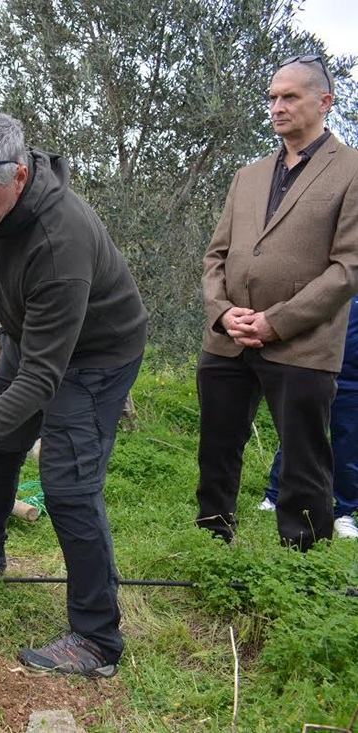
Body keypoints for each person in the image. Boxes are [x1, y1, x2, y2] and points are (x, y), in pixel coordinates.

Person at [0, 109, 147, 678]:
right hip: (30, 334)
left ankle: (97, 640)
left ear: (19, 178)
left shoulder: (59, 238)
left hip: (95, 355)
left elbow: (44, 380)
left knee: (68, 484)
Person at [195, 54, 358, 551]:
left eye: (289, 96)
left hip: (302, 344)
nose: (277, 106)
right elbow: (214, 255)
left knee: (306, 462)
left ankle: (302, 563)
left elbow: (348, 267)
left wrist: (276, 322)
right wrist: (222, 312)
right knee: (217, 451)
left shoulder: (351, 170)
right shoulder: (248, 175)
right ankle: (211, 542)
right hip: (228, 339)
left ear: (324, 102)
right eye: (272, 97)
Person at [259, 295, 358, 539]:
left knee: (349, 443)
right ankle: (274, 496)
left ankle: (343, 512)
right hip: (316, 365)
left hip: (353, 381)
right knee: (298, 434)